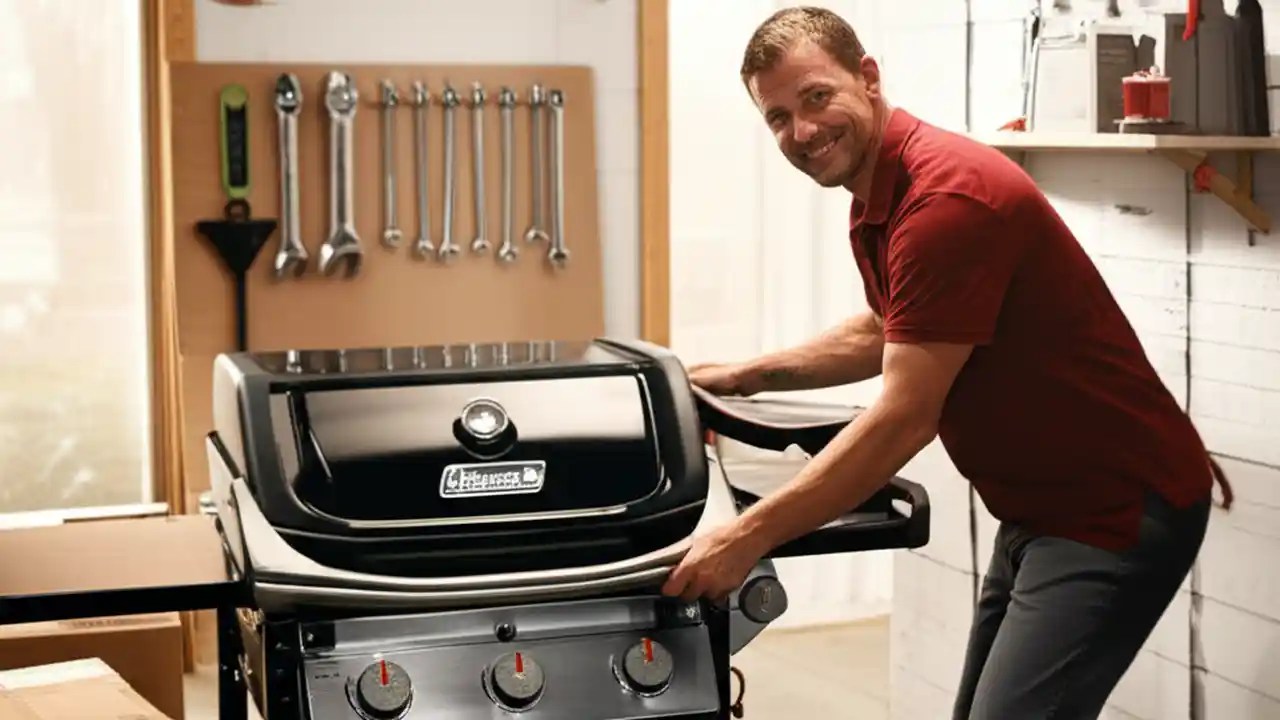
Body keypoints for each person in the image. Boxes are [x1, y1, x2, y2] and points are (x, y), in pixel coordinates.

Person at [658, 6, 1233, 719]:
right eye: (777, 117)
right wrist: (747, 375)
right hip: (1041, 505)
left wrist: (744, 539)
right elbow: (889, 328)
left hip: (1111, 508)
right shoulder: (881, 193)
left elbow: (903, 419)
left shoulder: (944, 201)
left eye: (815, 97)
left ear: (867, 77)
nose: (802, 132)